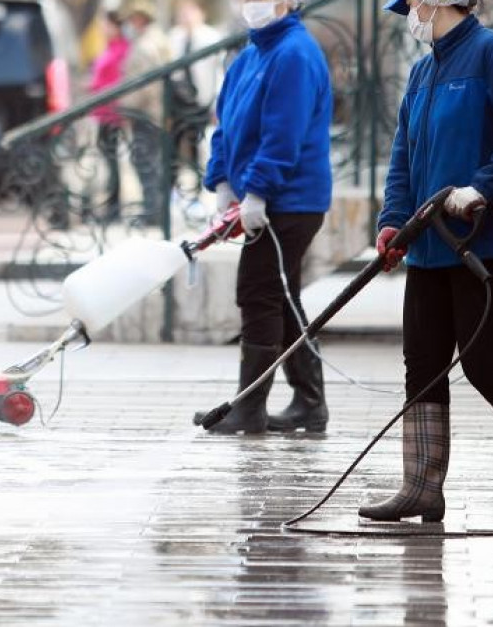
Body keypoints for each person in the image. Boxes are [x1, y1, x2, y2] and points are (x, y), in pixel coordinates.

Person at [362, 0, 493, 522]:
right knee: (424, 365)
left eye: (412, 3)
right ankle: (421, 485)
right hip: (428, 245)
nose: (408, 11)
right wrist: (393, 220)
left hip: (481, 244)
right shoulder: (422, 71)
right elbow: (402, 156)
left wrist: (480, 187)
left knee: (484, 364)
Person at [196, 0, 333, 435]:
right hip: (269, 200)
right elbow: (224, 125)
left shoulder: (294, 53)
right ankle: (310, 404)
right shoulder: (251, 55)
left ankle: (249, 408)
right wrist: (221, 181)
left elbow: (283, 135)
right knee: (281, 297)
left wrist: (257, 191)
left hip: (291, 201)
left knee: (257, 291)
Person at [119, 0, 172, 225]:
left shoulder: (146, 45)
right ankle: (155, 211)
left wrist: (125, 105)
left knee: (146, 163)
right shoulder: (156, 40)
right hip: (154, 113)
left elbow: (145, 86)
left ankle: (154, 212)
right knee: (152, 162)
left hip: (146, 114)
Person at [168, 0, 225, 184]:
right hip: (180, 99)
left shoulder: (211, 37)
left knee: (202, 144)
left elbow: (219, 71)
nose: (186, 16)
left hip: (203, 99)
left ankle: (203, 184)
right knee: (176, 143)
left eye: (190, 11)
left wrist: (217, 103)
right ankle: (178, 186)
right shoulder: (175, 36)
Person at [89, 10, 131, 222]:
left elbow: (116, 83)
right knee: (108, 160)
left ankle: (114, 208)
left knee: (112, 161)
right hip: (101, 113)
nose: (102, 29)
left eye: (105, 25)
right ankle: (110, 206)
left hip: (111, 114)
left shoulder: (121, 49)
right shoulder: (109, 48)